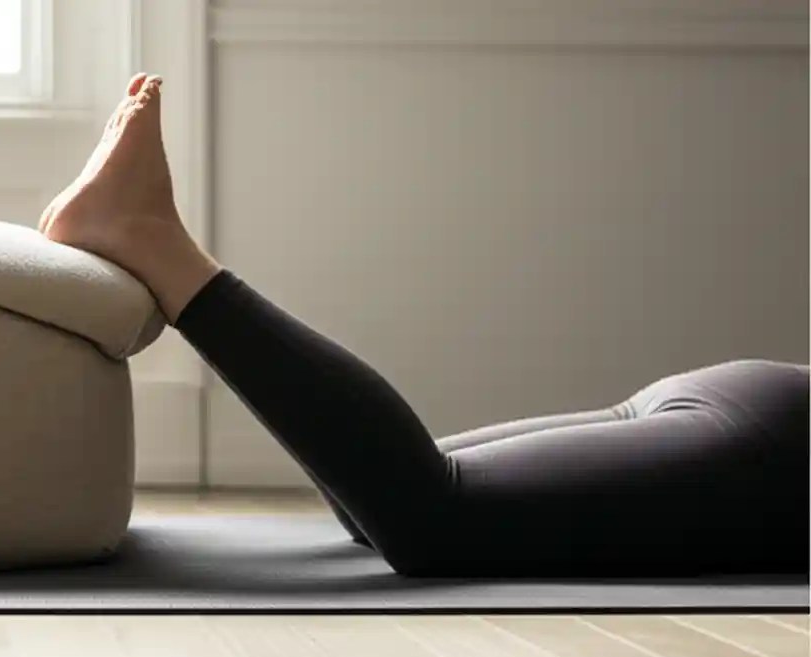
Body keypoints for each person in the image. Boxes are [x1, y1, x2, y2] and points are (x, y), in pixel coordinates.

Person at [39, 73, 810, 578]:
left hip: (760, 416)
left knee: (378, 504)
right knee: (427, 513)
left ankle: (147, 236)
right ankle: (151, 241)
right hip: (776, 453)